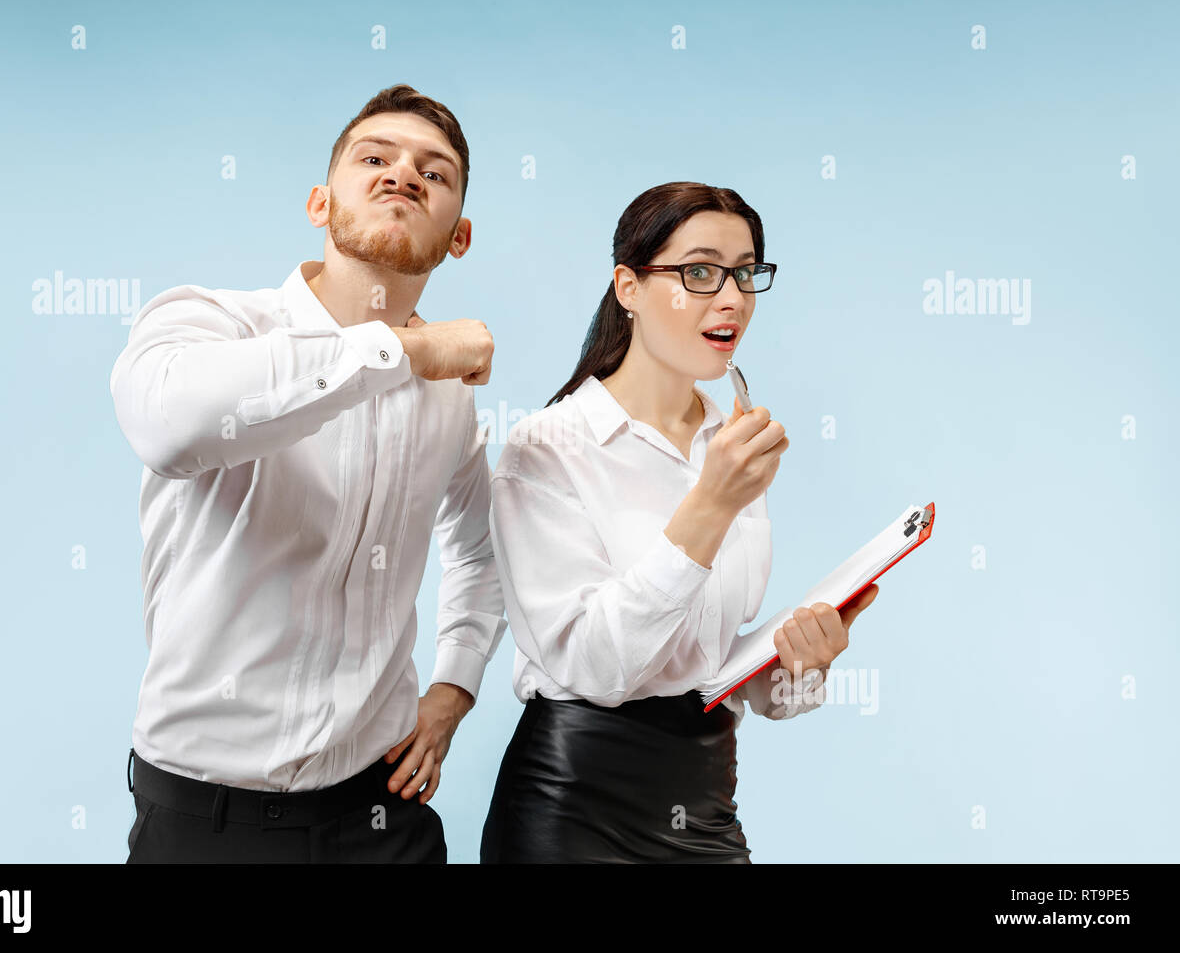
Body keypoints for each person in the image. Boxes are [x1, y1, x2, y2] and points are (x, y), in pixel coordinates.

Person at [110, 84, 507, 863]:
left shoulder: (450, 402)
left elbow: (482, 548)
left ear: (458, 236)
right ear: (319, 203)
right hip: (205, 825)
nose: (404, 174)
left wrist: (454, 688)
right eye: (376, 157)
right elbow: (167, 427)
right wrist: (403, 352)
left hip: (380, 818)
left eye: (435, 172)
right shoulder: (207, 325)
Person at [479, 181, 879, 863]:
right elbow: (598, 667)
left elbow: (705, 658)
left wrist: (798, 665)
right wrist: (711, 505)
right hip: (574, 805)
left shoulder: (728, 439)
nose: (731, 299)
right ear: (628, 286)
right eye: (699, 272)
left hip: (705, 800)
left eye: (745, 272)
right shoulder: (546, 448)